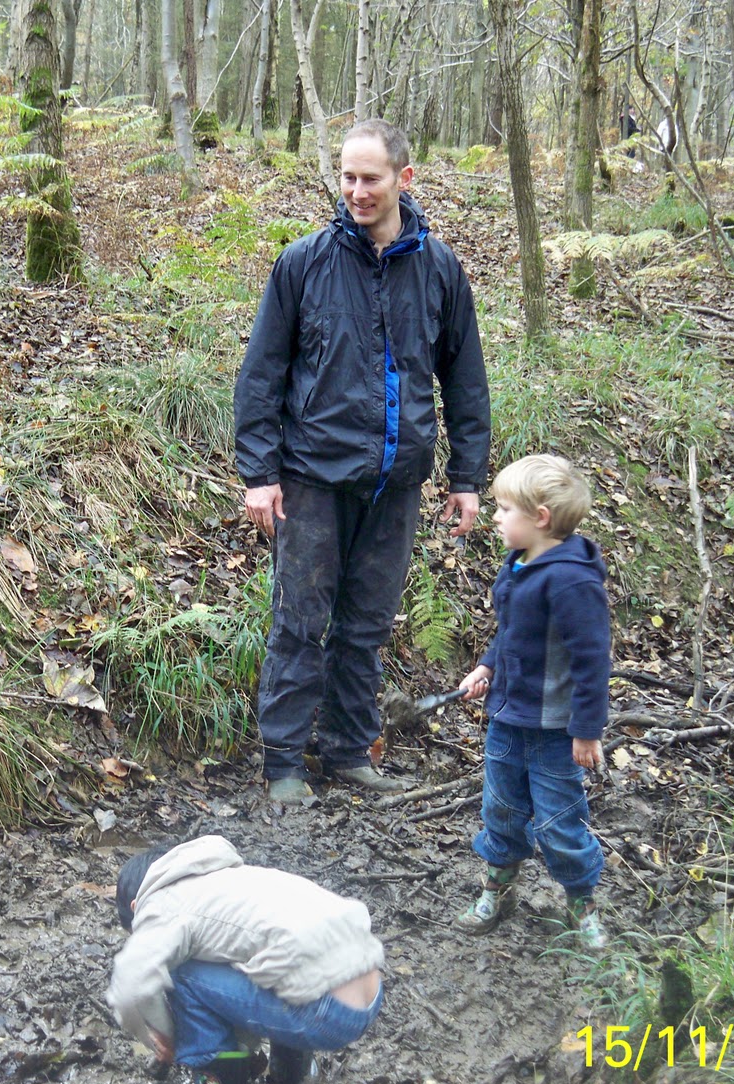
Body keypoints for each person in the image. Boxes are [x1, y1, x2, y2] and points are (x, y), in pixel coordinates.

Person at [234, 117, 491, 805]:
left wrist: (467, 477)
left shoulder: (438, 269)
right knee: (300, 618)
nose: (356, 190)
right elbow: (261, 374)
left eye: (370, 178)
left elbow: (465, 378)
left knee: (368, 623)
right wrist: (259, 474)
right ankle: (285, 763)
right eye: (347, 176)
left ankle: (349, 749)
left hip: (396, 479)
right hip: (313, 473)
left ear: (404, 179)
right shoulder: (305, 263)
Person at [106, 836, 385, 1084]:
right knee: (260, 959)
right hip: (370, 987)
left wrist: (164, 1039)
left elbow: (129, 988)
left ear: (136, 906)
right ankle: (296, 1081)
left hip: (326, 1012)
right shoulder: (221, 879)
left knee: (181, 973)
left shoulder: (160, 905)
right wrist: (242, 1046)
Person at [454, 455, 611, 948]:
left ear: (540, 518)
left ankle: (580, 902)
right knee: (500, 809)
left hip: (554, 730)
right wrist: (487, 666)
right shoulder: (519, 565)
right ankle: (498, 887)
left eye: (504, 509)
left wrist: (587, 730)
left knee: (560, 819)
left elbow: (592, 660)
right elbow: (513, 633)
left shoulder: (572, 581)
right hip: (506, 718)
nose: (495, 517)